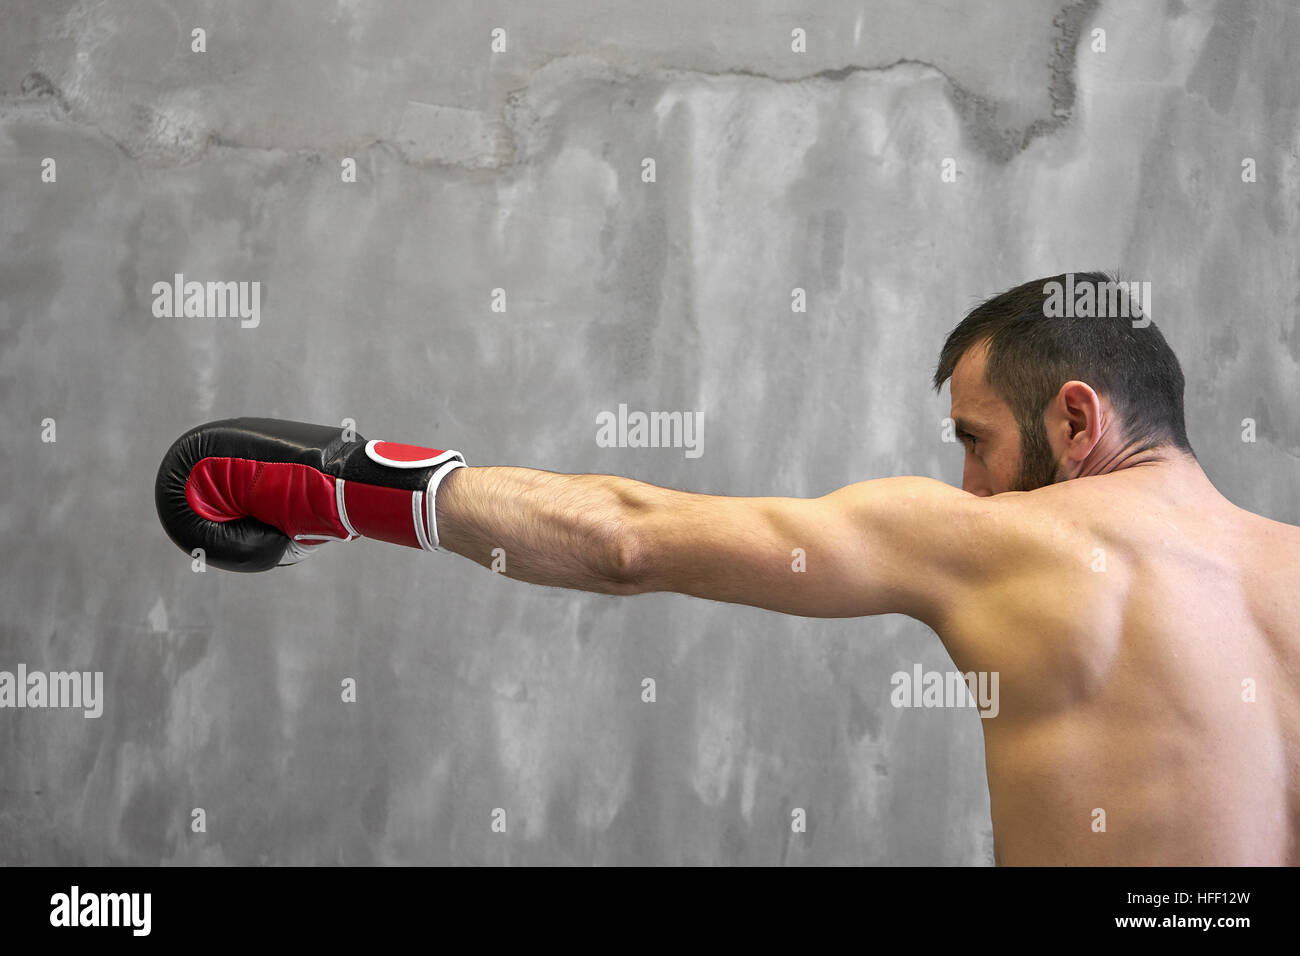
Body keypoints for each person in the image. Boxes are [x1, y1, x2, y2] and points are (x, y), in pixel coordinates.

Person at [155, 271, 1300, 865]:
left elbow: (623, 535)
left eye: (973, 440)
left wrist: (347, 481)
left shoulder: (996, 541)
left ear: (1076, 415)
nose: (966, 488)